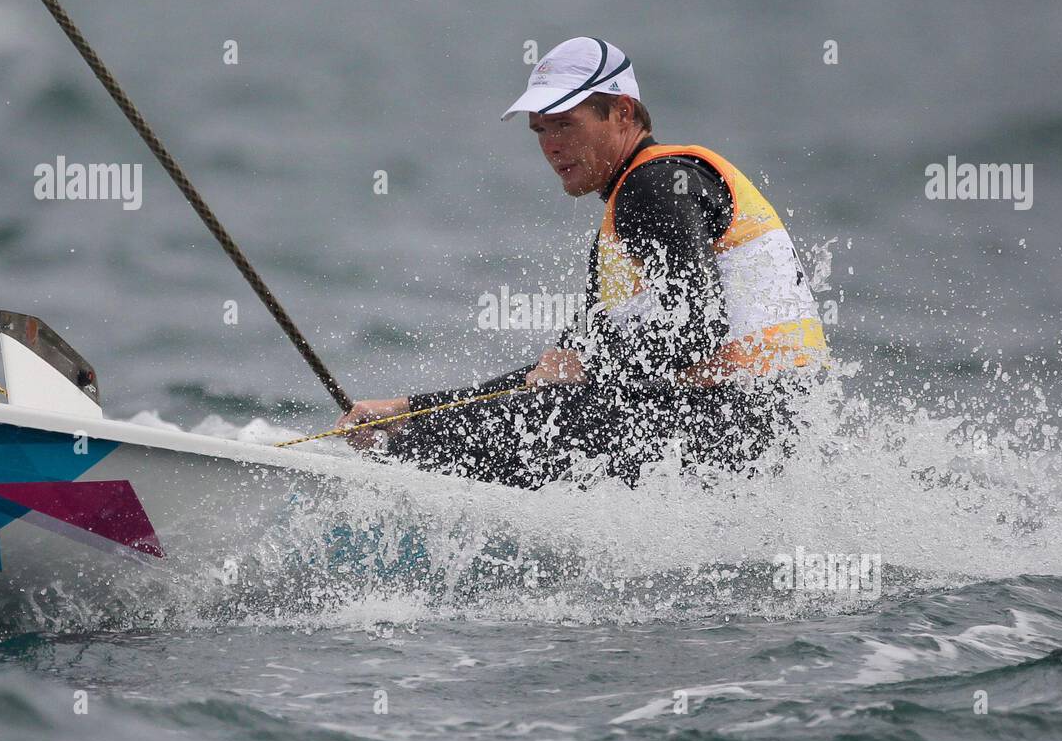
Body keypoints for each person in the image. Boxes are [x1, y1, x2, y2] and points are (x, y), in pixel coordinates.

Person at [336, 36, 828, 488]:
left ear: (621, 112)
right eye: (540, 129)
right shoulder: (629, 214)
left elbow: (697, 325)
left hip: (744, 423)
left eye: (565, 124)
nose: (551, 145)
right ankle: (403, 444)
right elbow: (555, 372)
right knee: (517, 414)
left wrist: (588, 366)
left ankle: (394, 465)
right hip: (762, 430)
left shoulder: (655, 188)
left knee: (493, 433)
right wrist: (409, 409)